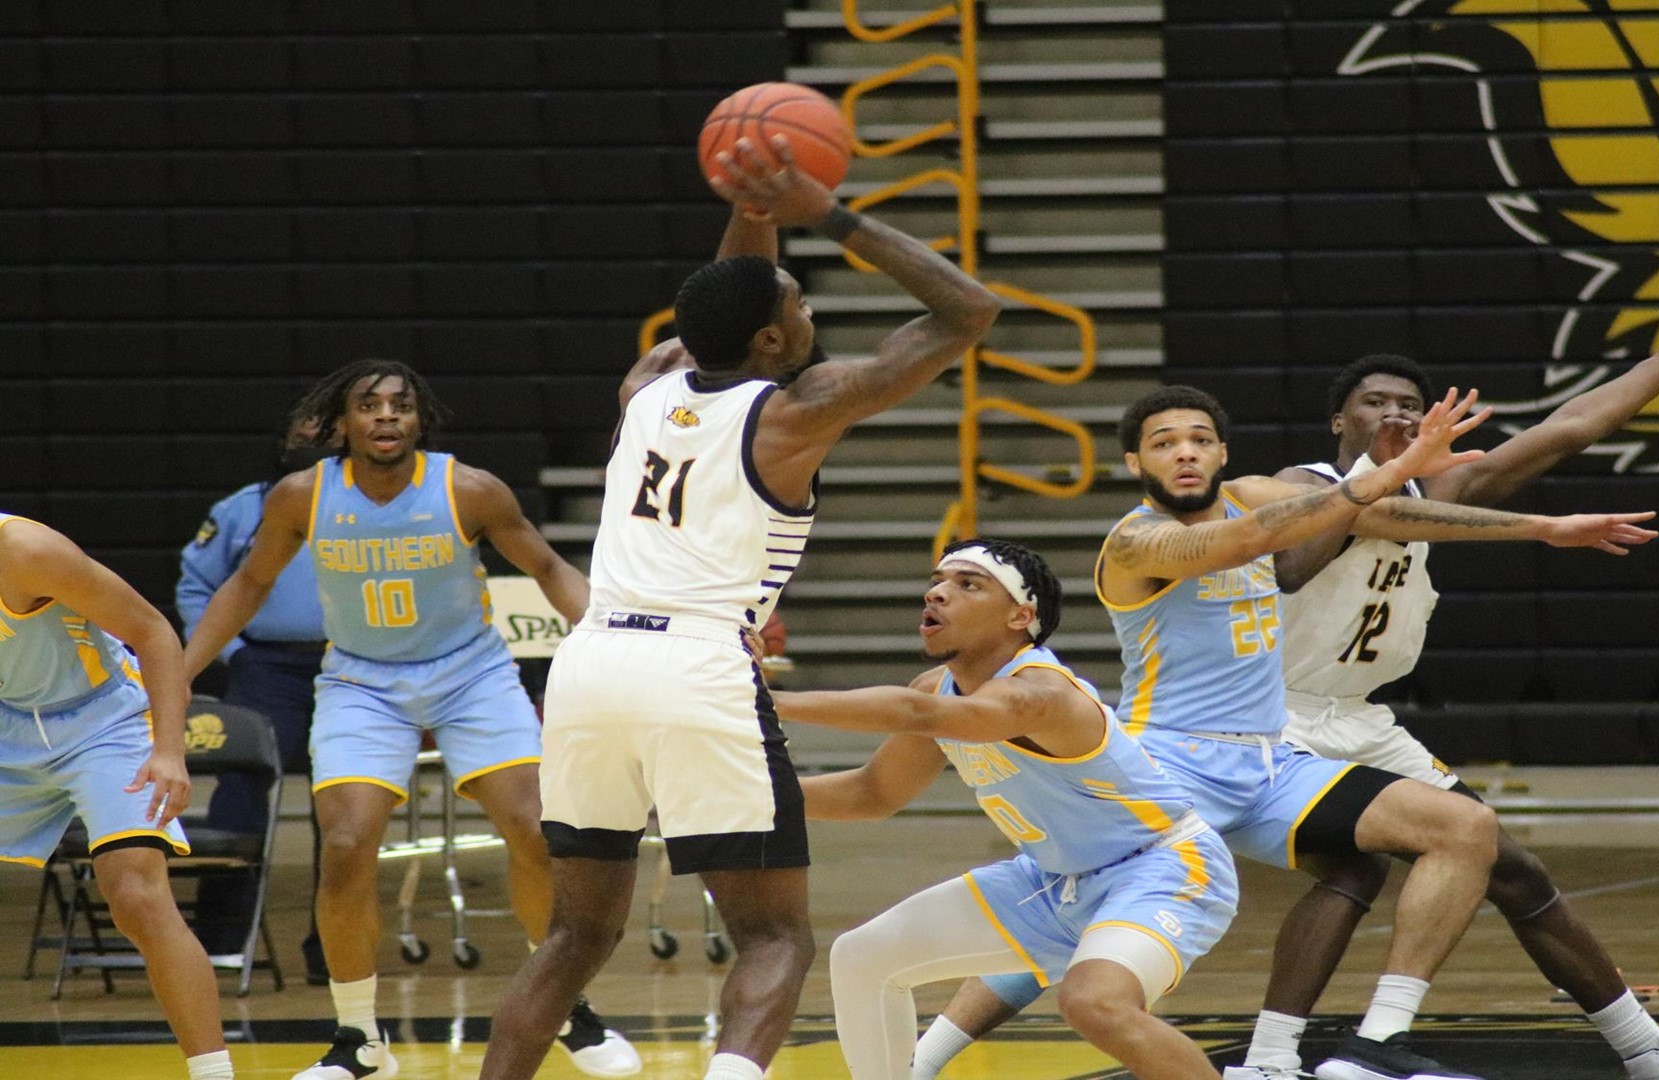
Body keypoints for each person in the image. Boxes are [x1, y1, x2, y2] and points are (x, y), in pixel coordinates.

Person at [916, 385, 1659, 1080]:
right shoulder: (1138, 542)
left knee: (1463, 827)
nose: (1184, 452)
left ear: (1221, 453)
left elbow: (1381, 518)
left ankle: (1373, 1049)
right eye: (1164, 442)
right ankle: (922, 1060)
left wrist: (1543, 527)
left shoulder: (1250, 495)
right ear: (1134, 463)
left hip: (1272, 764)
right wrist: (1375, 475)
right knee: (1063, 921)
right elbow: (1254, 539)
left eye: (1199, 439)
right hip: (1167, 762)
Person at [474, 134, 1000, 1080]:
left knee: (573, 933)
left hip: (588, 666)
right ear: (771, 339)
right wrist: (826, 215)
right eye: (795, 302)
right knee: (771, 935)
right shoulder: (797, 412)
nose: (805, 307)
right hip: (695, 667)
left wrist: (752, 211)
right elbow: (969, 311)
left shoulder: (646, 386)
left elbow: (730, 292)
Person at [1228, 289, 1659, 1080]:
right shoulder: (1297, 481)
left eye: (1410, 405)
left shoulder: (1441, 497)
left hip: (1361, 719)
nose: (1393, 412)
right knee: (1366, 867)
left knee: (1513, 871)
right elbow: (1288, 568)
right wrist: (1370, 483)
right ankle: (1321, 1056)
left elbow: (1570, 428)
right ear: (1338, 422)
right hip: (1275, 720)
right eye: (1373, 402)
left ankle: (1650, 1052)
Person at [181, 362, 640, 1080]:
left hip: (470, 673)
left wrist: (615, 638)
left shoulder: (467, 489)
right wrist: (178, 674)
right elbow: (248, 583)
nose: (387, 416)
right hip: (363, 681)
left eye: (400, 405)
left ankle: (564, 1007)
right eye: (370, 406)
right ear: (342, 425)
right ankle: (358, 1040)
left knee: (532, 826)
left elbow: (548, 568)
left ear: (420, 419)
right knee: (345, 839)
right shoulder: (301, 497)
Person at [777, 539, 1241, 1080]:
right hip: (1051, 880)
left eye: (967, 584)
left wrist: (770, 700)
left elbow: (918, 713)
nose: (938, 592)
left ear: (1021, 616)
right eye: (939, 581)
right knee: (863, 956)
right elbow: (872, 792)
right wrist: (750, 798)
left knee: (1094, 1002)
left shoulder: (1041, 694)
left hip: (1163, 866)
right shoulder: (939, 689)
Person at [0, 513, 235, 1080]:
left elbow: (154, 631)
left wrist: (170, 752)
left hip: (103, 719)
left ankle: (214, 1075)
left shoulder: (25, 550)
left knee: (135, 893)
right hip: (9, 722)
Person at [177, 409, 336, 984]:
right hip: (265, 666)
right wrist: (235, 654)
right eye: (302, 432)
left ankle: (334, 951)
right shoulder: (242, 509)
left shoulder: (369, 508)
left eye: (327, 434)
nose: (312, 442)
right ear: (282, 441)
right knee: (241, 789)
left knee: (344, 806)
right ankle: (220, 938)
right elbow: (196, 588)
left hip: (353, 666)